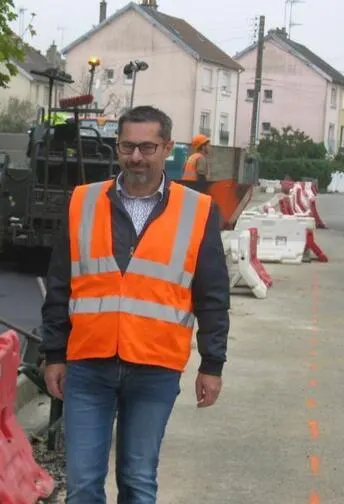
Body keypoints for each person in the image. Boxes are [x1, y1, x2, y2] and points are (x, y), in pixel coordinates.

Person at [39, 105, 231, 503]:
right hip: (88, 365)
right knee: (82, 486)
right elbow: (60, 286)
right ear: (117, 147)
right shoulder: (82, 202)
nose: (137, 157)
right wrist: (53, 353)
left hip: (155, 367)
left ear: (167, 148)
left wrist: (212, 364)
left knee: (139, 481)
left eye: (147, 147)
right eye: (128, 147)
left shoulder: (197, 210)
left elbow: (212, 296)